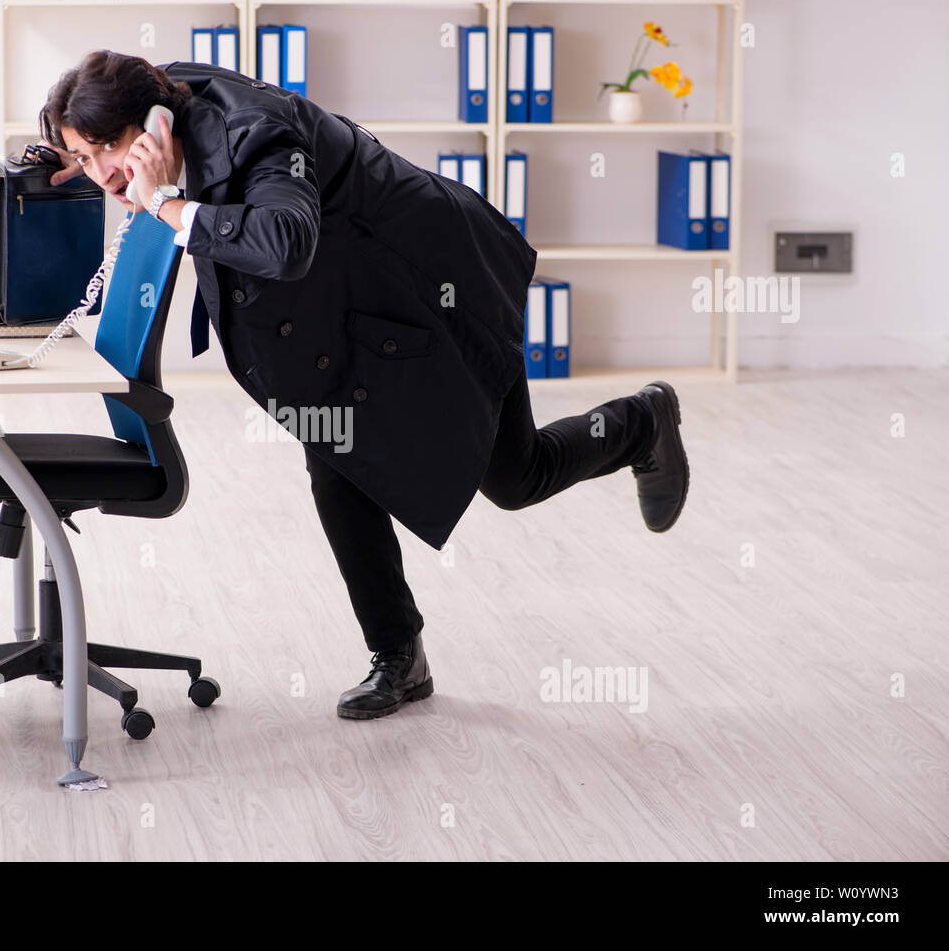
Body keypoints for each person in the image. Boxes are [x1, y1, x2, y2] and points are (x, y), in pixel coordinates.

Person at [38, 52, 689, 721]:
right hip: (350, 318)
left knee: (516, 478)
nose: (106, 173)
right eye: (84, 157)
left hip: (441, 286)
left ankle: (642, 422)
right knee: (336, 466)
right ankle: (399, 654)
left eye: (109, 148)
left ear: (152, 122)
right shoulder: (164, 100)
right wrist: (60, 153)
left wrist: (171, 206)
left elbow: (287, 239)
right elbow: (128, 97)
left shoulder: (258, 136)